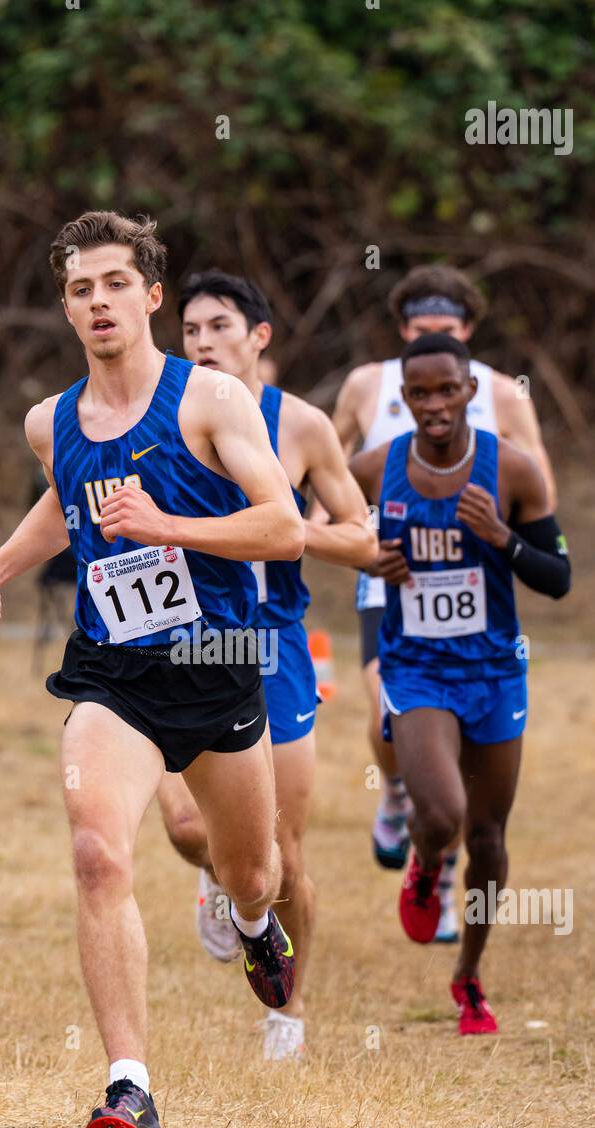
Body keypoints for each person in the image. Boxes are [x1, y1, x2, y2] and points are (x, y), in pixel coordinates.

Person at [0, 212, 305, 1128]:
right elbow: (64, 506)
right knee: (98, 854)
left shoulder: (213, 402)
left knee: (250, 868)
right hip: (114, 675)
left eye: (116, 283)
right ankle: (130, 1087)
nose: (99, 301)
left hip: (219, 666)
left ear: (152, 296)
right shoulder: (50, 422)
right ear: (65, 308)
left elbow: (285, 530)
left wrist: (170, 528)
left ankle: (253, 920)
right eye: (80, 288)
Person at [156, 270, 376, 1060]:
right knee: (186, 826)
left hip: (270, 644)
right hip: (178, 639)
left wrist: (283, 528)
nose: (204, 343)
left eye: (220, 327)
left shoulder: (303, 426)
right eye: (190, 331)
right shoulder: (163, 412)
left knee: (283, 854)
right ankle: (217, 879)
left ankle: (287, 1009)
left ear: (259, 338)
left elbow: (364, 539)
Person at [349, 333, 570, 1035]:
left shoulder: (514, 470)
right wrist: (366, 554)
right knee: (442, 816)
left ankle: (468, 976)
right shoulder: (376, 467)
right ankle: (422, 859)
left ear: (471, 390)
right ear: (405, 398)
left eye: (449, 389)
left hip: (495, 671)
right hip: (415, 667)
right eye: (422, 392)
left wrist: (502, 538)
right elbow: (309, 521)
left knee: (490, 837)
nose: (437, 404)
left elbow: (558, 577)